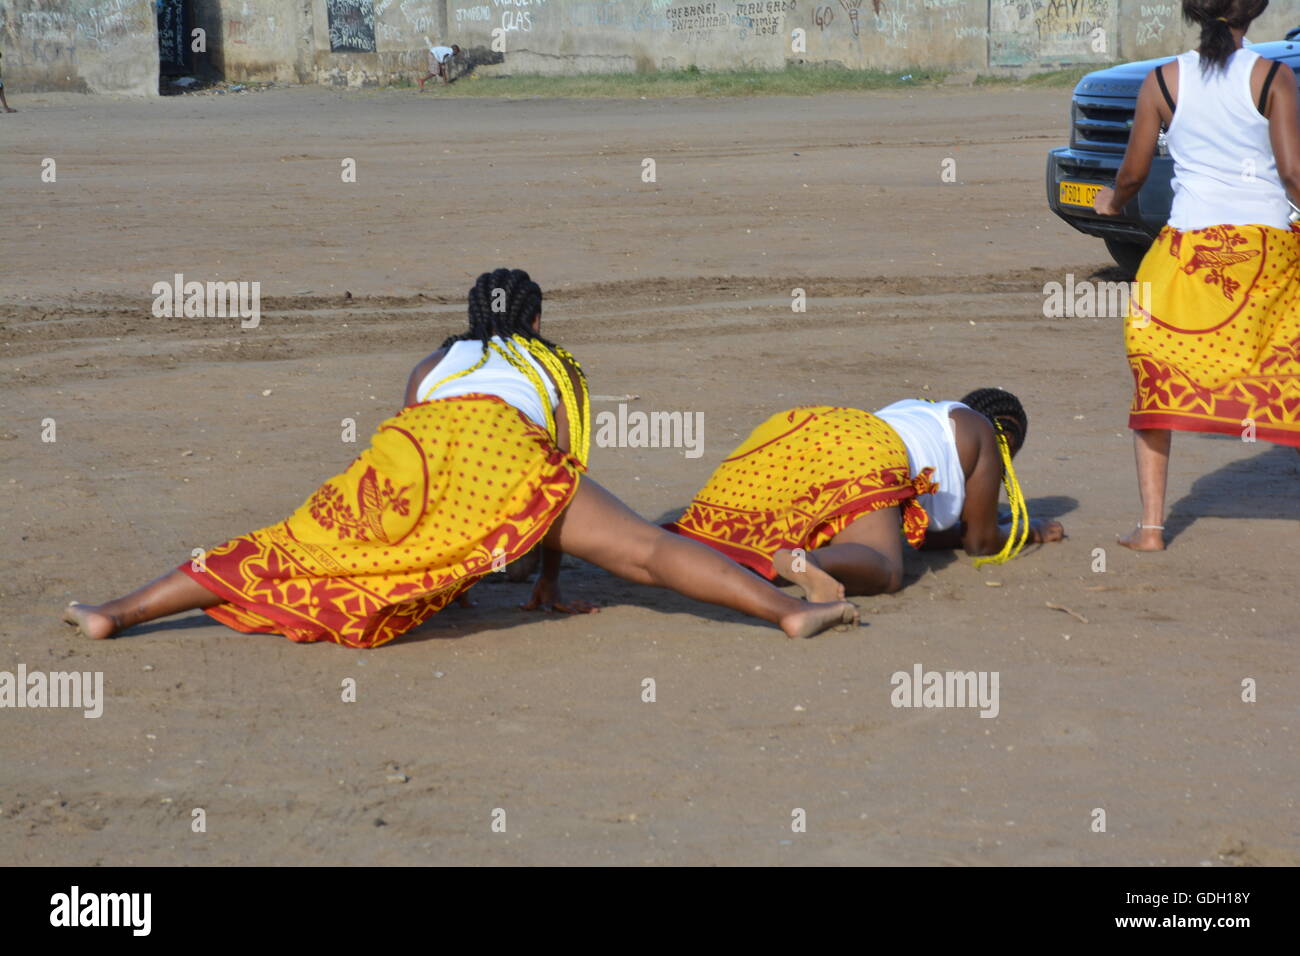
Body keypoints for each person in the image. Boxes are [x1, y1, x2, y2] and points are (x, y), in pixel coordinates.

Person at [62, 269, 858, 647]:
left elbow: (422, 477)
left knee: (277, 548)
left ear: (469, 319)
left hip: (411, 447)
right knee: (649, 552)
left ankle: (115, 613)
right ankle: (790, 611)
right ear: (538, 317)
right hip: (497, 445)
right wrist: (546, 580)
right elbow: (555, 472)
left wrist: (454, 576)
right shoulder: (550, 366)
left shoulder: (435, 362)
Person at [1093, 0, 1300, 551]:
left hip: (1186, 256)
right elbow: (1292, 173)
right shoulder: (1273, 76)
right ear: (1252, 14)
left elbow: (1134, 172)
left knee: (1155, 370)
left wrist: (1112, 202)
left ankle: (1152, 528)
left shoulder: (1161, 80)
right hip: (1264, 253)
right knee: (1286, 365)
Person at [667, 389, 1065, 601]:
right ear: (1007, 439)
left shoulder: (920, 411)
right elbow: (981, 543)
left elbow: (923, 535)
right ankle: (808, 562)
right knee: (887, 570)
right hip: (865, 449)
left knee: (749, 529)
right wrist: (1027, 530)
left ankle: (675, 550)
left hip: (811, 426)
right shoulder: (983, 433)